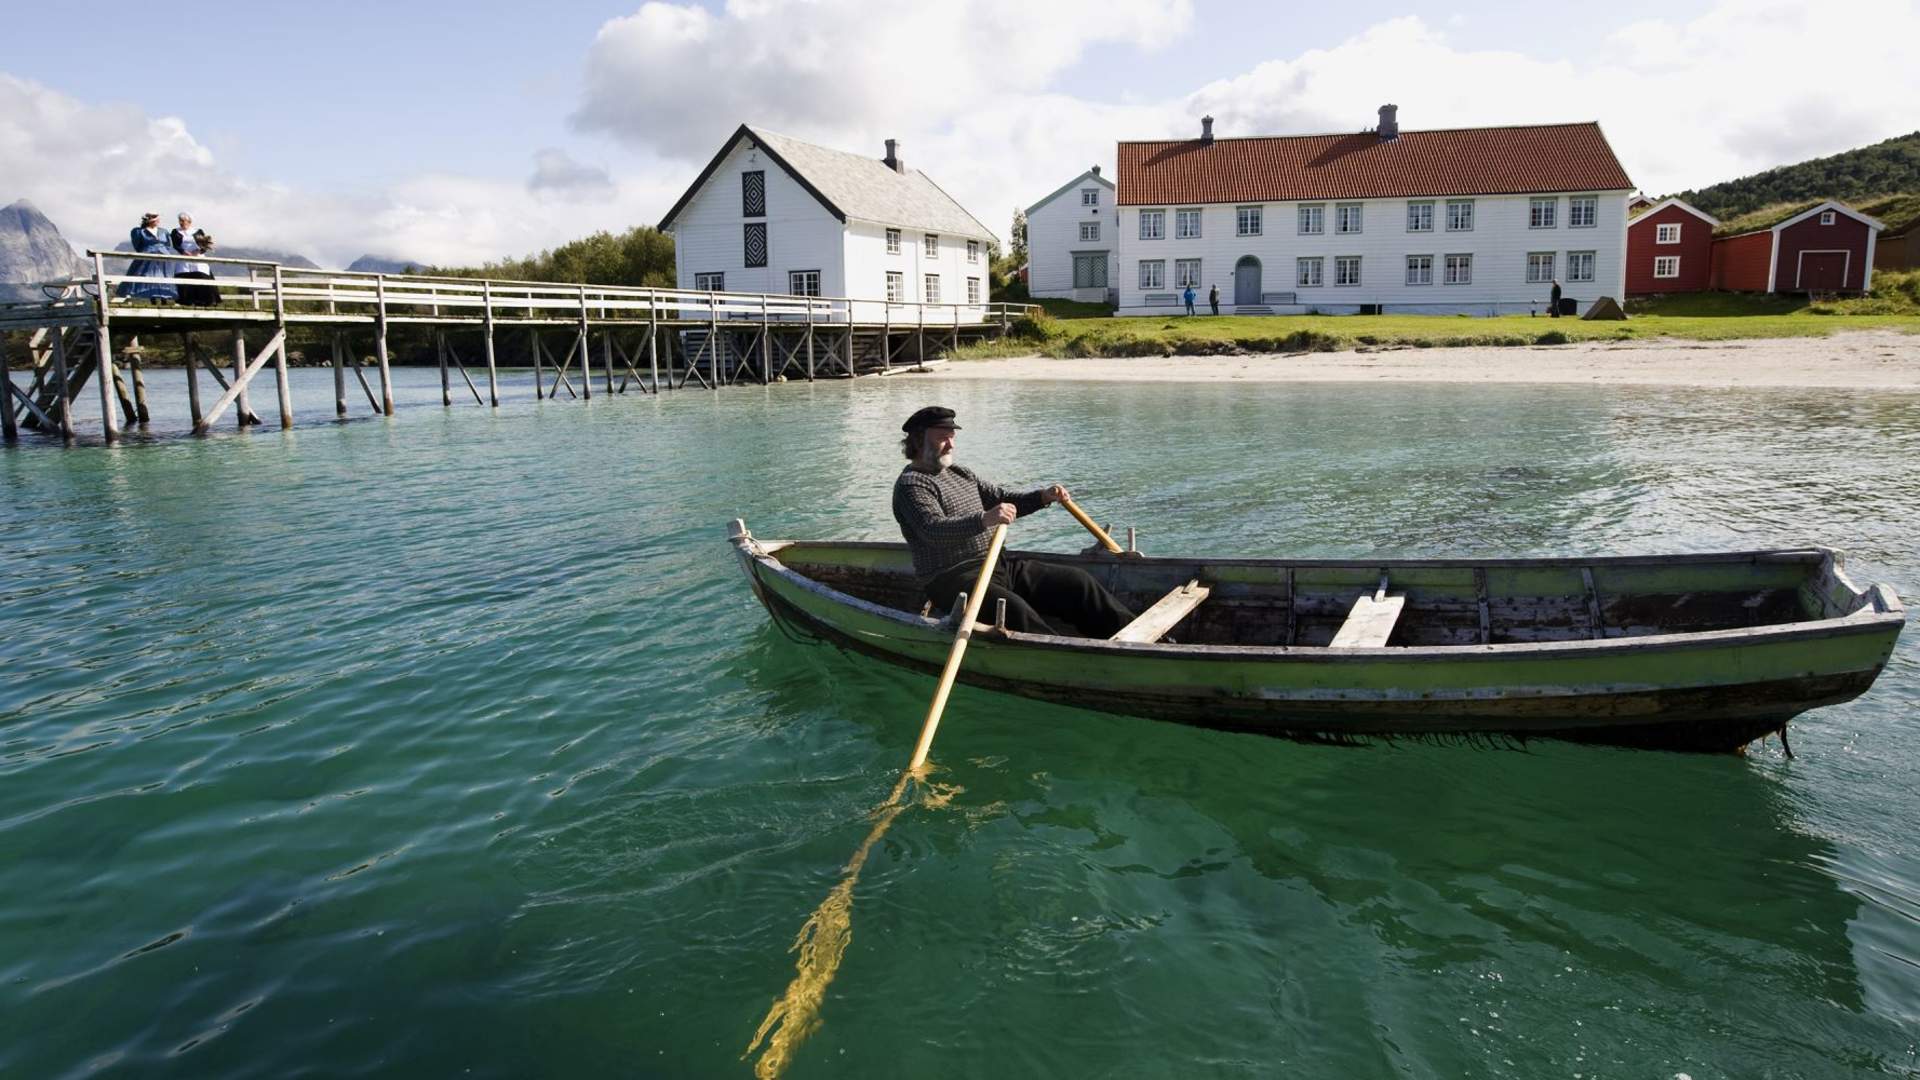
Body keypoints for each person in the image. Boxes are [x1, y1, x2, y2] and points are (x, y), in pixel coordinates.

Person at [893, 406, 1138, 638]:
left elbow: (1002, 499)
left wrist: (1042, 497)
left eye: (952, 437)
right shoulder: (912, 485)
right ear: (918, 440)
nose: (951, 445)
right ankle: (1062, 657)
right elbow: (933, 530)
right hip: (951, 580)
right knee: (1016, 612)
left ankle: (1136, 639)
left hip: (998, 564)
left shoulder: (961, 473)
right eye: (942, 438)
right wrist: (985, 519)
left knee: (1077, 582)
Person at [117, 212, 177, 302]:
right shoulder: (140, 231)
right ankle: (152, 298)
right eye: (155, 220)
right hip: (147, 255)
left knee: (163, 275)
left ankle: (164, 297)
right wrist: (147, 251)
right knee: (147, 274)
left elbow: (168, 245)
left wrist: (165, 252)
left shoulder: (163, 231)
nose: (157, 221)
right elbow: (137, 245)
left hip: (163, 256)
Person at [170, 213, 218, 307]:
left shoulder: (198, 231)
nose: (181, 223)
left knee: (201, 275)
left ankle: (205, 300)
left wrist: (199, 251)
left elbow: (205, 244)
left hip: (197, 257)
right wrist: (183, 252)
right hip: (184, 257)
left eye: (183, 221)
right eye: (180, 221)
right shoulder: (175, 231)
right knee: (184, 276)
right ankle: (186, 301)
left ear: (189, 221)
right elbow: (175, 245)